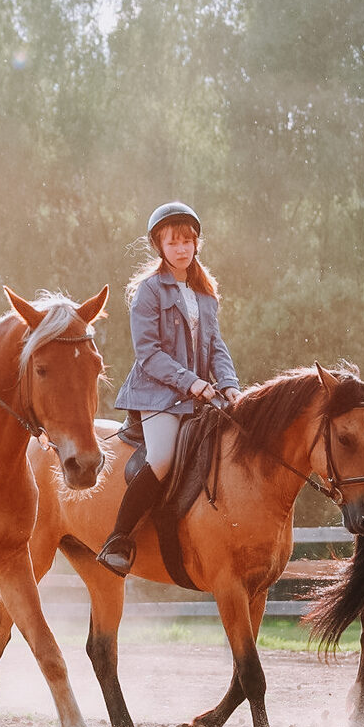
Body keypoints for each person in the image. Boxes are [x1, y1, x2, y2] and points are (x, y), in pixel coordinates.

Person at [96, 202, 240, 577]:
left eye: (187, 241)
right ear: (159, 246)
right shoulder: (148, 292)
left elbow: (217, 347)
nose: (181, 249)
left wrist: (230, 386)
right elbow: (149, 353)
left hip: (200, 395)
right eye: (172, 242)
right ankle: (119, 539)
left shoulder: (205, 295)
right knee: (161, 458)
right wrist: (191, 381)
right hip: (157, 393)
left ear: (196, 244)